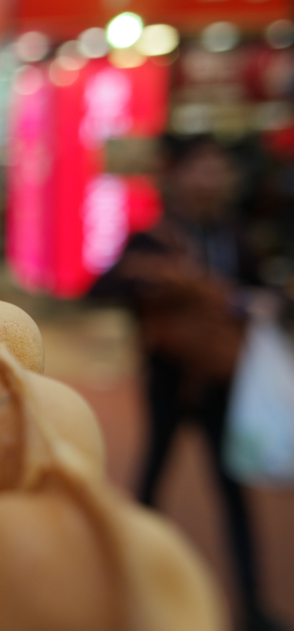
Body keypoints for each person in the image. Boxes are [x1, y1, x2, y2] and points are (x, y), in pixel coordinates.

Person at [92, 135, 286, 631]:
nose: (212, 178)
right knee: (151, 485)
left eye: (218, 169)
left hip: (223, 383)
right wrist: (161, 282)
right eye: (202, 167)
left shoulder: (234, 234)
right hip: (169, 382)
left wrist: (249, 303)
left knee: (233, 493)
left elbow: (260, 290)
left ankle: (251, 603)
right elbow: (104, 287)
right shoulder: (156, 235)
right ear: (177, 176)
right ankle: (125, 587)